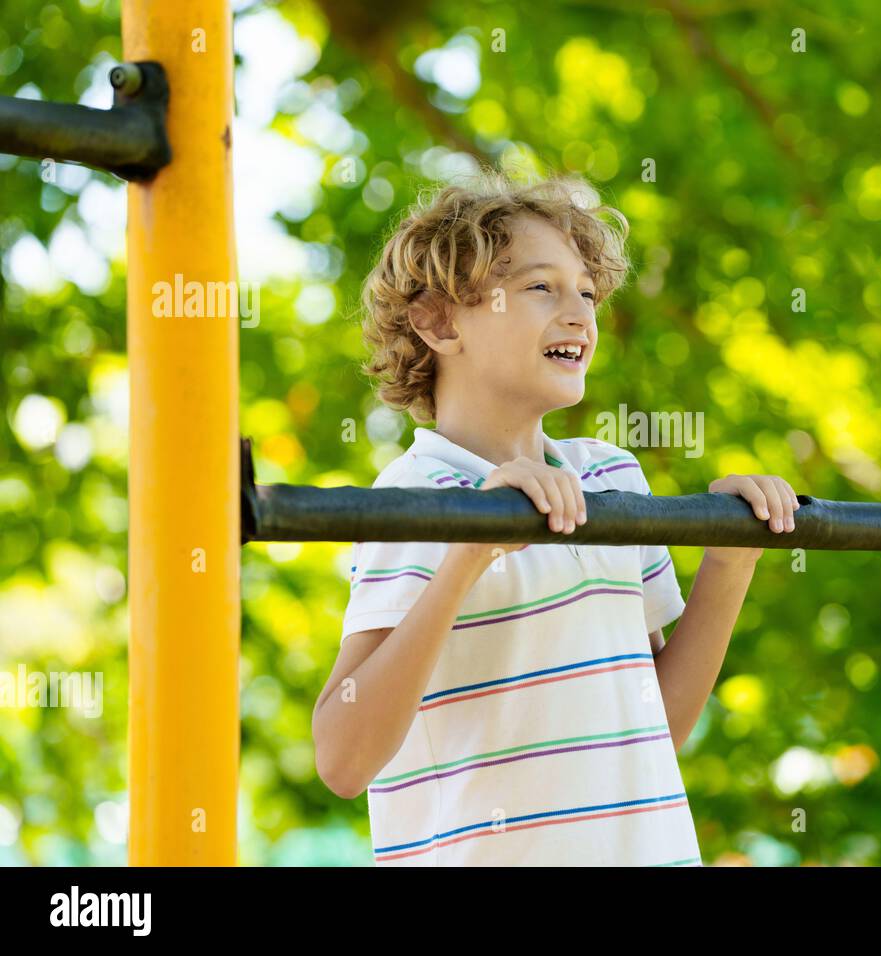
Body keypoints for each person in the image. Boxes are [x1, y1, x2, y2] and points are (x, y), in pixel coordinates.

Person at [312, 168, 799, 866]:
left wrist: (729, 560)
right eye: (542, 287)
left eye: (588, 293)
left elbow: (653, 722)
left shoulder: (610, 476)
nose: (580, 314)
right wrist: (470, 554)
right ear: (440, 320)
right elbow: (343, 759)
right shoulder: (419, 494)